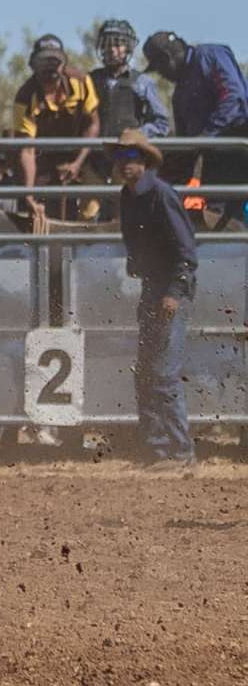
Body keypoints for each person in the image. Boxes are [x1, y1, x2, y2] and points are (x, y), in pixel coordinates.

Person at [109, 129, 200, 470]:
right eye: (121, 158)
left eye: (130, 158)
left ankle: (180, 451)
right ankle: (157, 450)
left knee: (162, 372)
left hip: (167, 290)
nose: (124, 164)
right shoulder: (129, 196)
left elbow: (186, 252)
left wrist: (174, 291)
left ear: (143, 162)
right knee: (147, 372)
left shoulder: (160, 196)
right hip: (153, 287)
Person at [143, 30, 248, 228]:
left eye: (159, 68)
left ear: (167, 59)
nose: (161, 75)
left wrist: (204, 137)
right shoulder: (180, 96)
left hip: (242, 138)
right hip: (217, 155)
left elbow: (234, 98)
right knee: (217, 208)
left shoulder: (209, 56)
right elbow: (187, 143)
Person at [12, 34, 100, 222]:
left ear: (63, 64)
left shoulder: (82, 82)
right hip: (42, 161)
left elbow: (93, 124)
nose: (50, 68)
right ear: (33, 65)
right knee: (40, 208)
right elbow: (26, 150)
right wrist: (28, 194)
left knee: (93, 199)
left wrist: (77, 162)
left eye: (55, 61)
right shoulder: (25, 97)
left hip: (81, 156)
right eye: (44, 62)